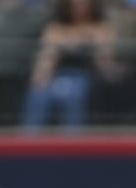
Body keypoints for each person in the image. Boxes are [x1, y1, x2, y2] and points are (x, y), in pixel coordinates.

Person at [21, 0, 118, 129]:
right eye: (75, 4)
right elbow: (46, 57)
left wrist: (80, 41)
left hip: (86, 76)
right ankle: (29, 142)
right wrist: (39, 78)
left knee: (72, 93)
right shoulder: (55, 27)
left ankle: (72, 142)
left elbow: (105, 56)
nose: (80, 7)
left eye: (84, 4)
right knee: (38, 94)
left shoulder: (101, 27)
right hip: (56, 75)